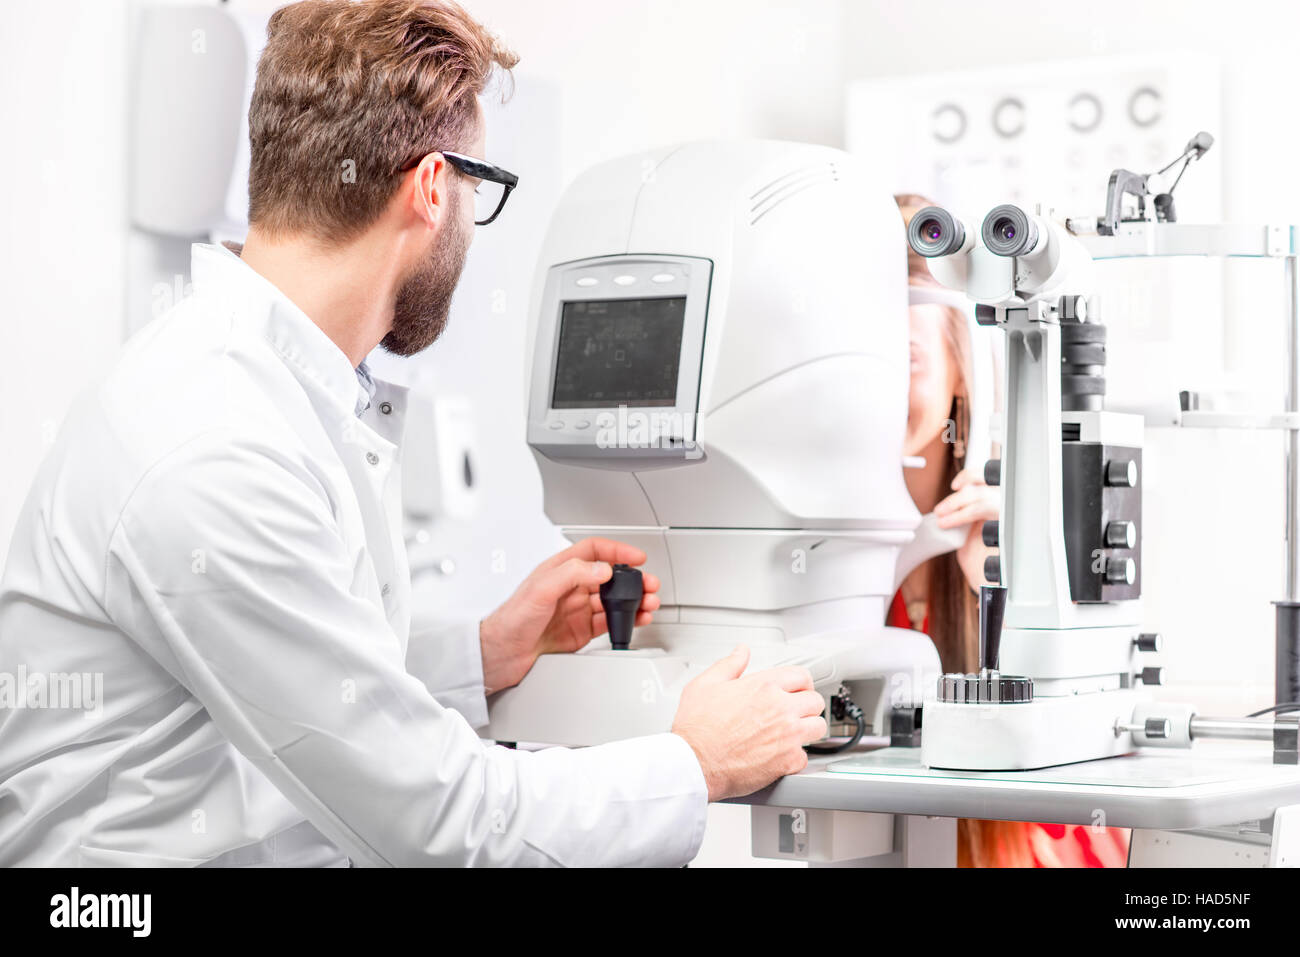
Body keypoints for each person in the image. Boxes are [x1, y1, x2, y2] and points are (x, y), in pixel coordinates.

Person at [0, 0, 828, 867]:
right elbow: (442, 824)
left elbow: (299, 695)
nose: (471, 222)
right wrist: (694, 761)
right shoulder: (215, 442)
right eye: (480, 194)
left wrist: (483, 651)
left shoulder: (251, 387)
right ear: (433, 187)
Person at [892, 194, 1130, 868]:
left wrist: (1018, 605)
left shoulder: (1003, 545)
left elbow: (1086, 823)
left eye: (902, 358)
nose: (869, 388)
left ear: (960, 372)